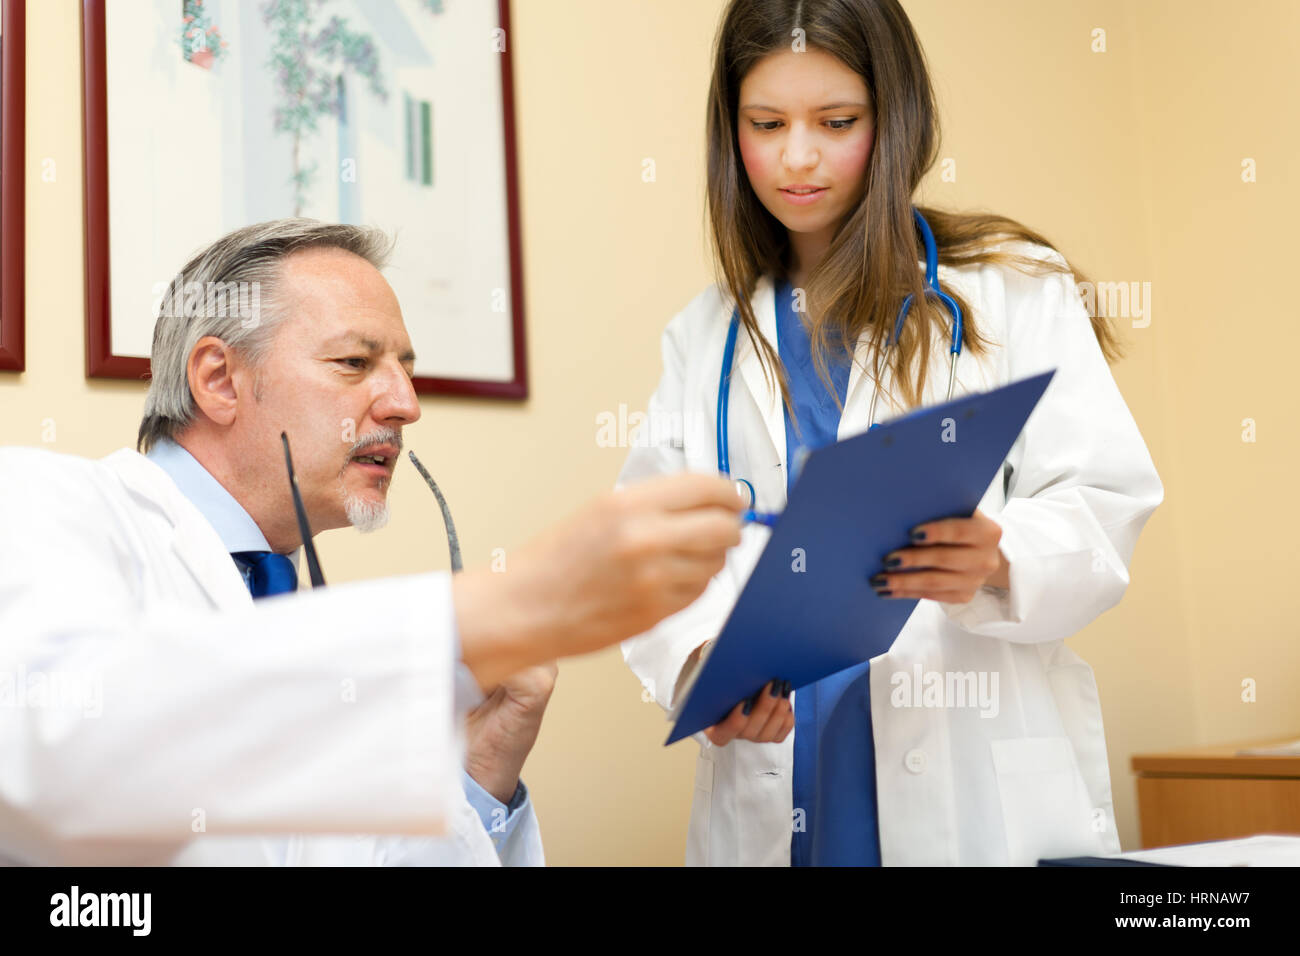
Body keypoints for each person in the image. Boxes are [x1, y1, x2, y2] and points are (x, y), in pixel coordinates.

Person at [0, 219, 745, 866]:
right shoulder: (41, 503)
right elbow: (56, 756)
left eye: (405, 370)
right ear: (219, 380)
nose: (405, 404)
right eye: (354, 364)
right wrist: (495, 608)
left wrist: (481, 773)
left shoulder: (309, 625)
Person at [619, 0, 1163, 866]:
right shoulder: (704, 338)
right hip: (777, 785)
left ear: (893, 119)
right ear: (732, 133)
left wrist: (1000, 557)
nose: (798, 156)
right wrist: (697, 667)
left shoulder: (1013, 291)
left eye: (837, 122)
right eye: (767, 123)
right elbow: (650, 548)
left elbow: (1107, 501)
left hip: (967, 785)